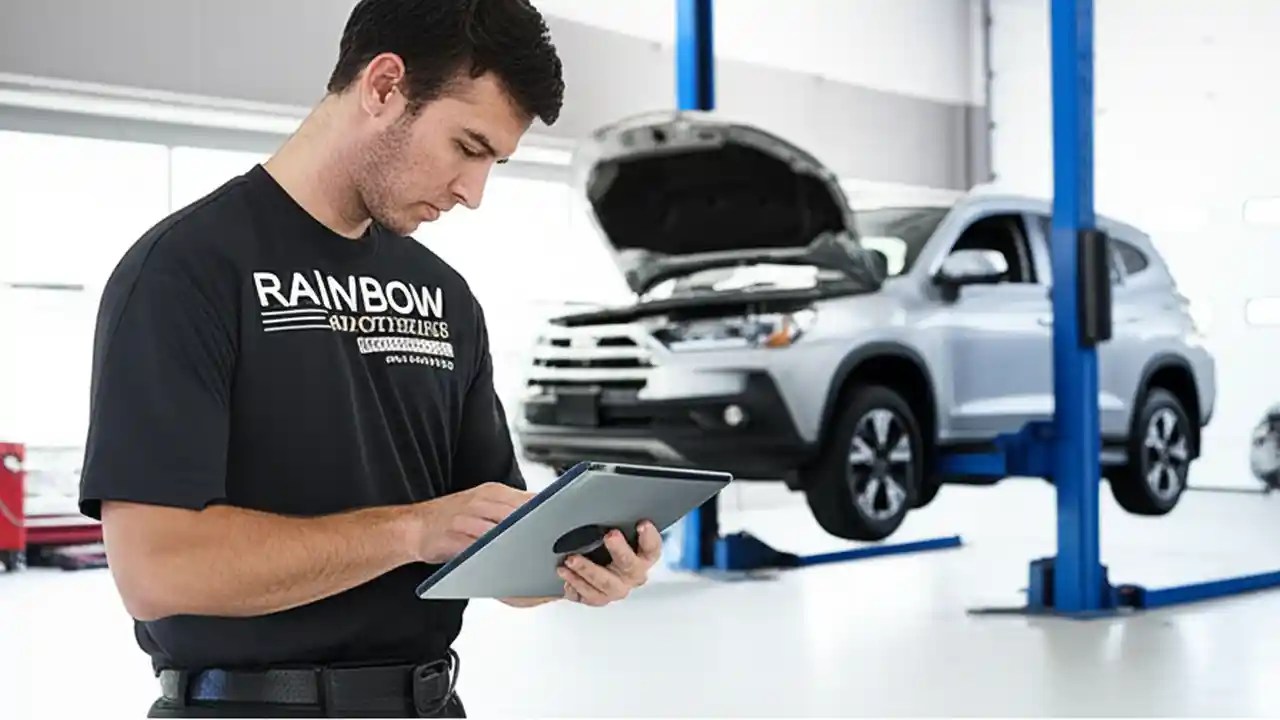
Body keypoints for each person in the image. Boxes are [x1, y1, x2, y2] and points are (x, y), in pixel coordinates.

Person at [77, 1, 663, 717]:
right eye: (468, 147)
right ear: (384, 87)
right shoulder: (187, 271)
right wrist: (410, 530)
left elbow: (490, 547)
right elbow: (156, 569)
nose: (473, 193)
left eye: (494, 164)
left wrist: (577, 564)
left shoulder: (443, 295)